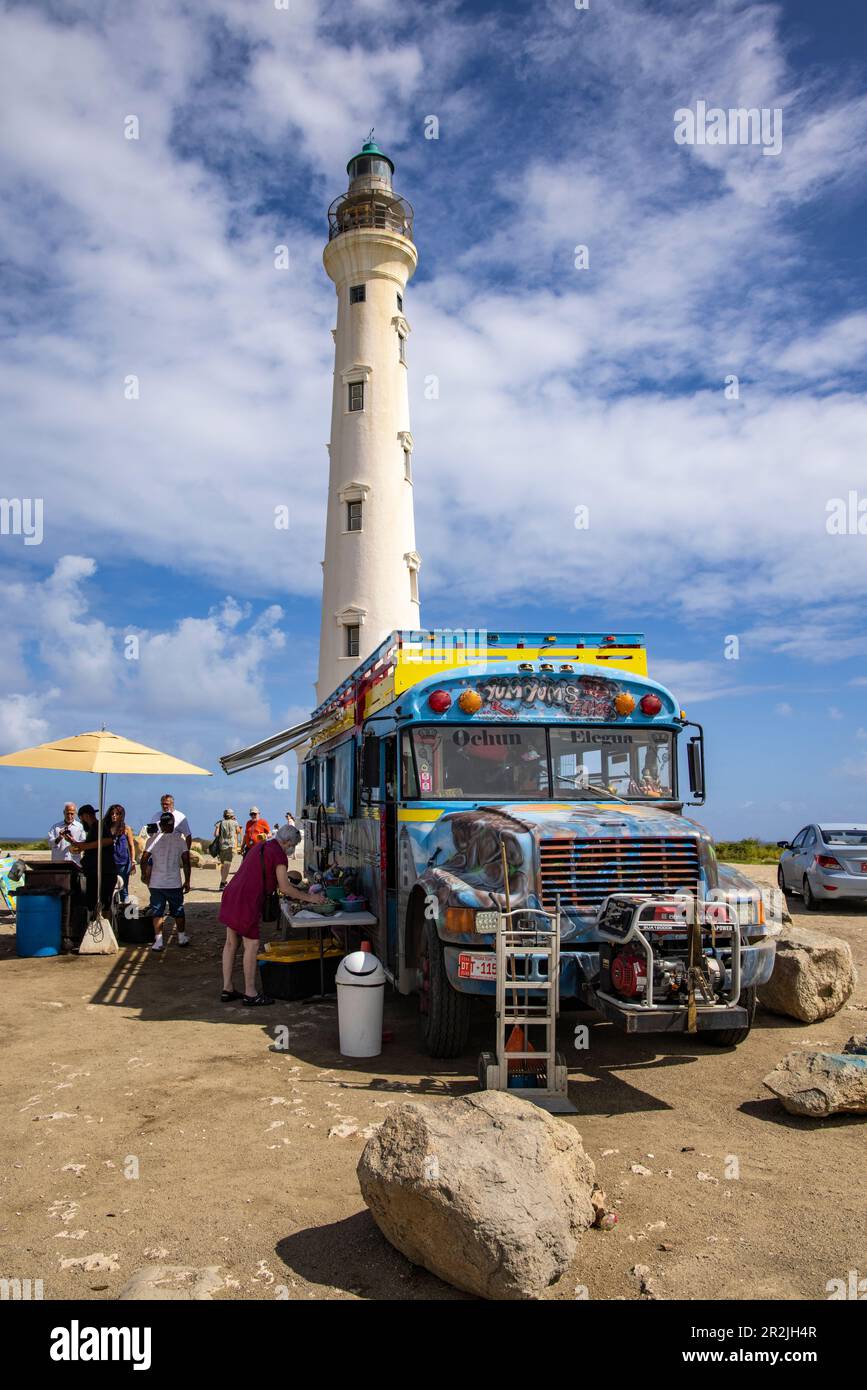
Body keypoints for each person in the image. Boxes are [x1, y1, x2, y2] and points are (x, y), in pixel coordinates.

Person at [218, 822, 324, 1006]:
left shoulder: (261, 845)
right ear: (288, 842)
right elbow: (285, 887)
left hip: (232, 893)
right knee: (251, 945)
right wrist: (310, 898)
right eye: (293, 845)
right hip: (247, 899)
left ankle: (227, 988)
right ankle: (251, 993)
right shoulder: (279, 855)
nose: (292, 849)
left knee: (230, 942)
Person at [142, 811, 191, 951]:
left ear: (161, 824)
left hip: (156, 882)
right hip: (174, 882)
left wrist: (144, 874)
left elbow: (144, 857)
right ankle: (181, 937)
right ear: (173, 824)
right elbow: (186, 862)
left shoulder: (152, 840)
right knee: (178, 911)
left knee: (157, 911)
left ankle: (158, 941)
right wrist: (187, 880)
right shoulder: (180, 841)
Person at [76, 805, 117, 915]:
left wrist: (85, 846)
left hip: (104, 872)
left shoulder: (99, 826)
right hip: (94, 872)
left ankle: (106, 928)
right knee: (92, 903)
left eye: (81, 818)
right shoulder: (93, 829)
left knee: (104, 905)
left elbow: (108, 841)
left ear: (85, 816)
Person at [105, 803, 137, 902]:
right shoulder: (106, 828)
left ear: (121, 815)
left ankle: (124, 912)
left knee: (123, 887)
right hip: (109, 862)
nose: (114, 815)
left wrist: (132, 861)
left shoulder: (126, 828)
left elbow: (131, 846)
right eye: (112, 813)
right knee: (109, 888)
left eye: (117, 813)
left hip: (123, 862)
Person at [213, 808, 242, 890]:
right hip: (230, 846)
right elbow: (239, 831)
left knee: (223, 865)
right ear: (232, 815)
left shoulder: (220, 823)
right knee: (227, 865)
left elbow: (215, 834)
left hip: (221, 846)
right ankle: (222, 883)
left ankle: (224, 881)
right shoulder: (235, 823)